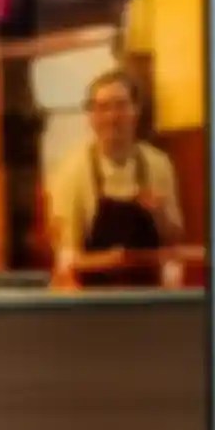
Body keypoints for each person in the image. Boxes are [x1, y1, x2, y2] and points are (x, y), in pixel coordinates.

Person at [47, 69, 183, 287]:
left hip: (148, 296)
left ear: (135, 111)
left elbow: (173, 244)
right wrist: (116, 260)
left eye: (121, 105)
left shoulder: (159, 165)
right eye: (103, 108)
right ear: (91, 117)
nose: (112, 117)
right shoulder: (70, 172)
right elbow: (66, 259)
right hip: (90, 299)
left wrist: (161, 215)